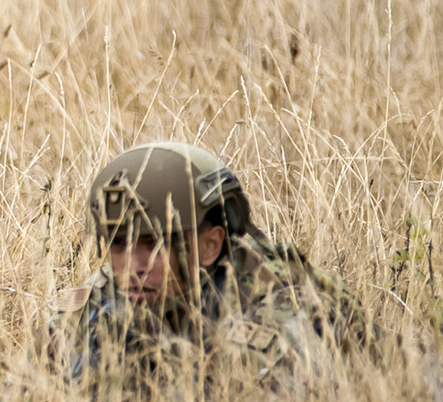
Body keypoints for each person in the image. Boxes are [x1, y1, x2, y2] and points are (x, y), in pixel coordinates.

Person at [60, 140, 362, 388]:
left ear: (210, 246)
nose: (134, 266)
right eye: (119, 244)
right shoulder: (101, 300)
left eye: (156, 245)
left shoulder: (273, 317)